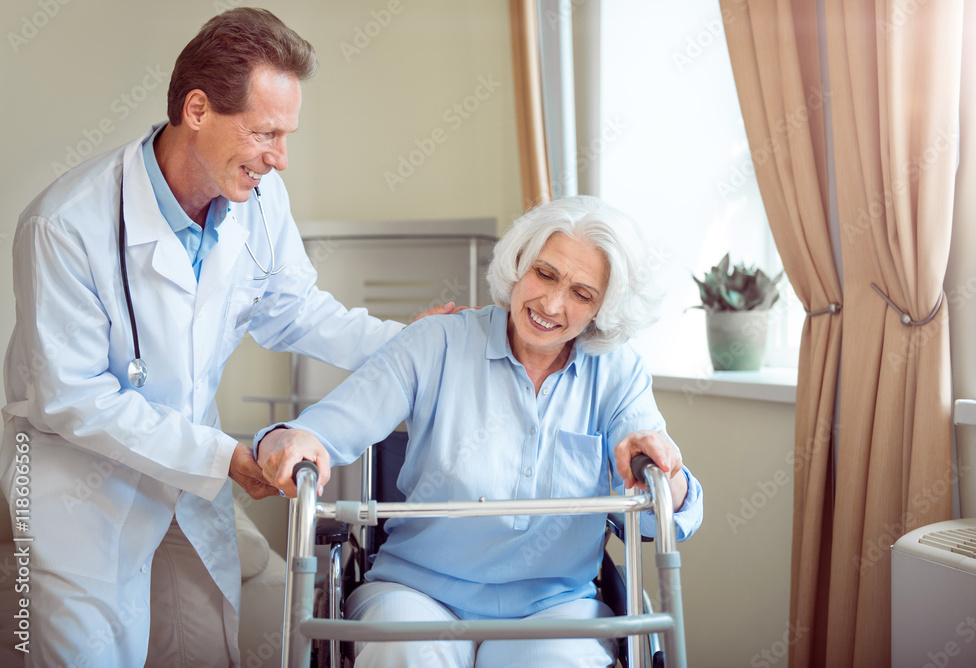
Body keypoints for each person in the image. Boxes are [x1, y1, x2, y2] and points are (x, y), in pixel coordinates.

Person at [0, 8, 454, 667]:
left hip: (188, 483)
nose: (281, 158)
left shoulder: (259, 201)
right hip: (84, 491)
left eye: (287, 134)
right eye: (265, 132)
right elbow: (73, 397)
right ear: (197, 110)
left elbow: (297, 311)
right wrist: (226, 459)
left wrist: (409, 344)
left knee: (207, 649)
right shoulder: (64, 224)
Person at [257, 195, 705, 668]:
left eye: (582, 294)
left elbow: (663, 511)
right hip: (417, 592)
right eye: (545, 274)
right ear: (518, 264)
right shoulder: (437, 342)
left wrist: (664, 473)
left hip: (554, 607)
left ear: (601, 310)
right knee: (406, 658)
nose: (551, 304)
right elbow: (326, 428)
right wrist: (297, 440)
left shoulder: (618, 372)